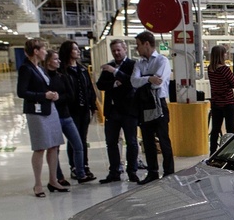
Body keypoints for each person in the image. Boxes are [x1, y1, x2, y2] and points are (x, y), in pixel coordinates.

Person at [104, 30, 172, 184]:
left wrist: (145, 79)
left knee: (163, 140)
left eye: (138, 45)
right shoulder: (139, 63)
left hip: (158, 103)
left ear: (147, 44)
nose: (137, 48)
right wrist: (149, 79)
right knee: (147, 140)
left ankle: (168, 172)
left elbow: (158, 82)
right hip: (143, 104)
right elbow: (134, 82)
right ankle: (152, 172)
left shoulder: (162, 60)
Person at [16, 38, 67, 197]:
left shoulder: (40, 68)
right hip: (36, 112)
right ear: (36, 51)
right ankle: (38, 184)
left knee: (54, 146)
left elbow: (45, 86)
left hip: (49, 109)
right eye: (44, 49)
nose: (46, 52)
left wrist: (53, 94)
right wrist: (43, 95)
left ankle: (53, 180)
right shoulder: (26, 68)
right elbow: (22, 92)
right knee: (40, 147)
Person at [96, 39, 140, 183]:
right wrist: (114, 83)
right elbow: (100, 84)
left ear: (125, 49)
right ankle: (114, 172)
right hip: (112, 111)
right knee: (111, 142)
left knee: (131, 142)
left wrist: (115, 72)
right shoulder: (108, 66)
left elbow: (131, 82)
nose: (116, 53)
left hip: (129, 111)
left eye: (118, 50)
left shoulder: (133, 65)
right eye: (114, 50)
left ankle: (132, 171)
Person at [44, 49, 85, 189]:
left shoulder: (62, 76)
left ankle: (80, 173)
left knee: (78, 145)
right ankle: (59, 177)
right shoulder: (44, 78)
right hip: (52, 117)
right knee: (54, 149)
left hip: (66, 116)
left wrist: (57, 98)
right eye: (55, 59)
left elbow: (70, 95)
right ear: (48, 61)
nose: (59, 61)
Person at [59, 40, 96, 182]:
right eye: (75, 49)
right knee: (74, 140)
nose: (78, 51)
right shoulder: (63, 71)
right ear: (68, 52)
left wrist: (92, 105)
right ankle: (74, 167)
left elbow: (89, 88)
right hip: (70, 110)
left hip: (84, 109)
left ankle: (84, 166)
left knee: (83, 139)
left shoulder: (82, 70)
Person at [207, 44, 234, 155]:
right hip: (228, 102)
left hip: (216, 103)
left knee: (215, 129)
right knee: (230, 129)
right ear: (221, 55)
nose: (226, 55)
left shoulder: (210, 69)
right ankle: (230, 152)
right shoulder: (225, 69)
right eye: (225, 53)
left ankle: (212, 151)